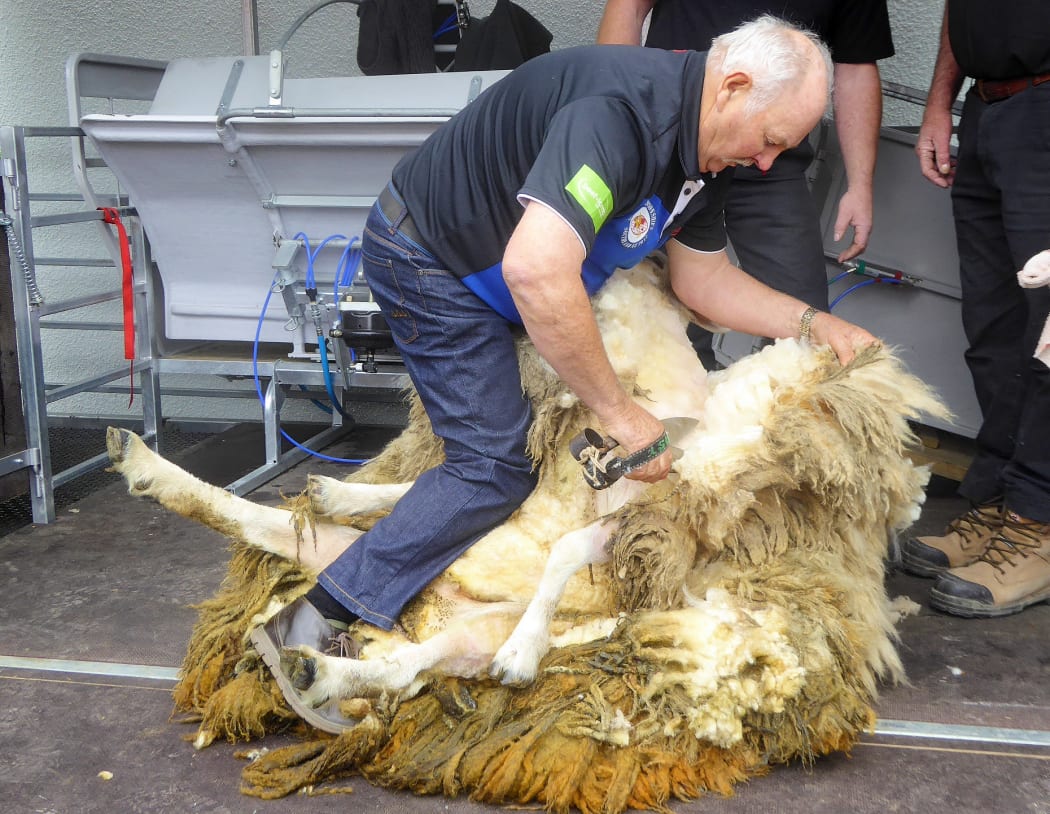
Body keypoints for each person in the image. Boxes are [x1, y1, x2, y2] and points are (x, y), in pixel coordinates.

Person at [251, 16, 879, 730]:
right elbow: (536, 269)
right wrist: (621, 416)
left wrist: (809, 322)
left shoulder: (705, 158)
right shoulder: (617, 117)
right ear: (733, 87)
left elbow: (702, 282)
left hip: (517, 273)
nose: (768, 164)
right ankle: (314, 618)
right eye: (771, 142)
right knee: (494, 464)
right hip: (431, 257)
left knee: (552, 452)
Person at [597, 0, 892, 369]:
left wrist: (860, 184)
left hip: (773, 161)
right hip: (673, 144)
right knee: (653, 314)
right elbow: (628, 6)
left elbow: (855, 64)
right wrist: (619, 123)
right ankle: (673, 412)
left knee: (809, 328)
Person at [902, 1, 1050, 618]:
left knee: (1048, 337)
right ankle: (998, 499)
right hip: (989, 109)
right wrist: (943, 101)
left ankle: (1038, 524)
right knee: (994, 332)